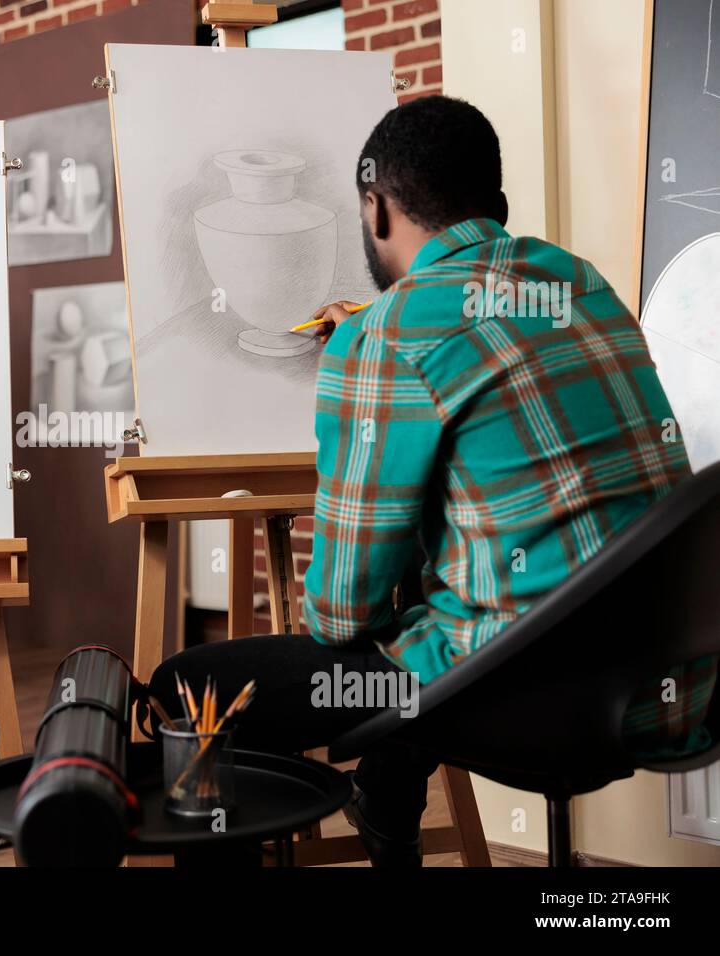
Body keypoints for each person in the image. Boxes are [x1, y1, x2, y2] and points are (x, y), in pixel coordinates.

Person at [152, 95, 716, 867]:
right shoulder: (575, 280)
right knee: (423, 624)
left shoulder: (382, 334)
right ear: (500, 207)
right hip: (667, 687)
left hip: (521, 695)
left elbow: (339, 615)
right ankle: (389, 830)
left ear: (376, 211)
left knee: (193, 685)